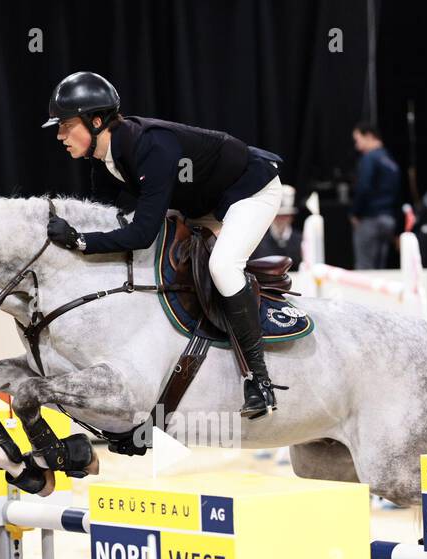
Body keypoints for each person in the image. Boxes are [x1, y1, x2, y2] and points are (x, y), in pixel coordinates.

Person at [43, 72, 286, 418]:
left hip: (248, 192)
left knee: (223, 266)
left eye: (66, 126)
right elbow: (103, 218)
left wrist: (81, 241)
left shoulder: (152, 146)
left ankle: (259, 382)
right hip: (201, 204)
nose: (60, 135)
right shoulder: (103, 160)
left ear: (96, 121)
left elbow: (141, 232)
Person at [350, 122, 401, 269]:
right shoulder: (390, 161)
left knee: (365, 267)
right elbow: (397, 194)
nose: (356, 145)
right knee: (380, 268)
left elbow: (363, 187)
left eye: (358, 140)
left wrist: (355, 213)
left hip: (370, 219)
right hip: (388, 220)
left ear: (369, 136)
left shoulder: (369, 158)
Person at [254, 184, 302, 268]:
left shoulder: (301, 240)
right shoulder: (259, 242)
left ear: (291, 217)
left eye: (285, 216)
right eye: (277, 215)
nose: (281, 220)